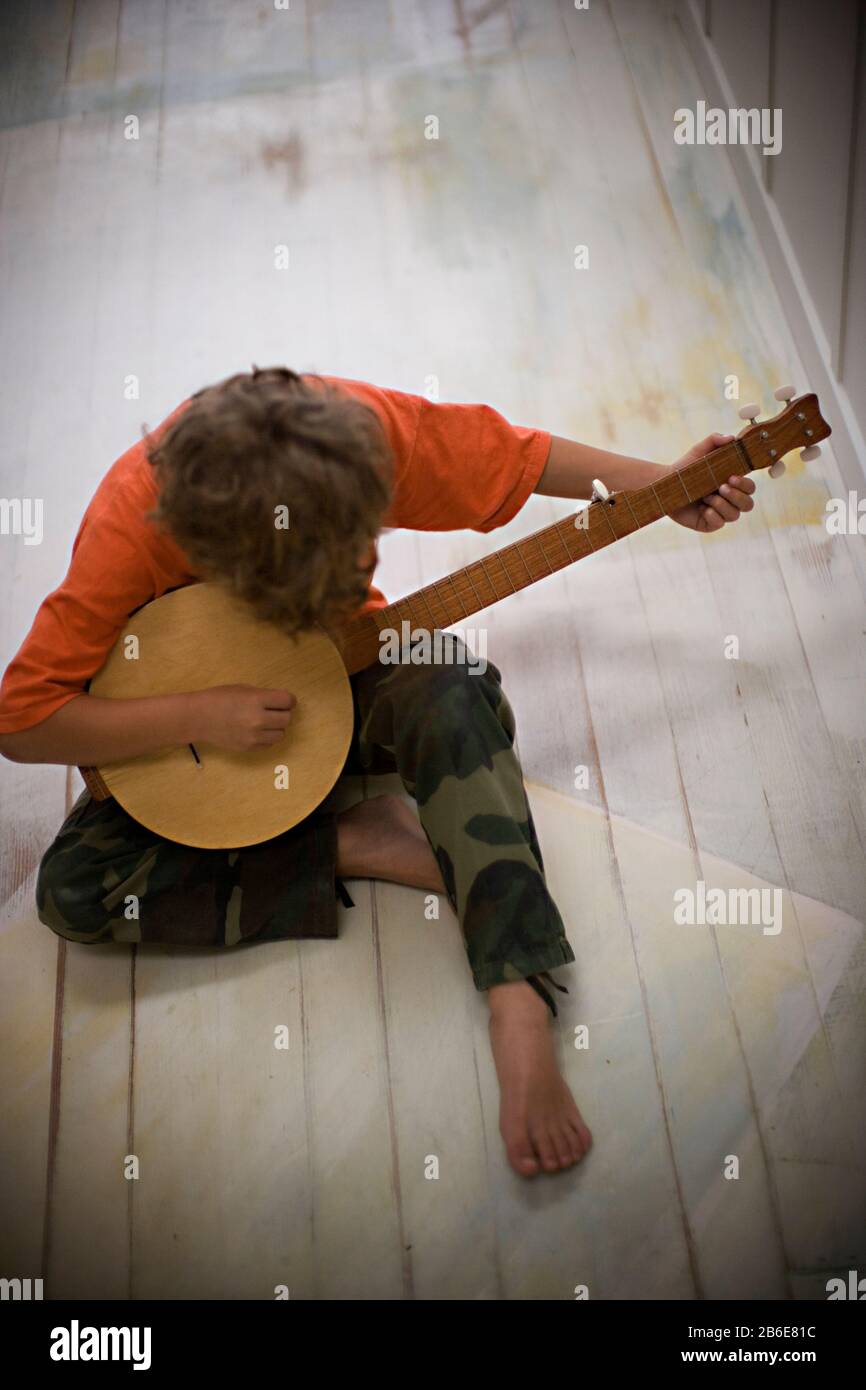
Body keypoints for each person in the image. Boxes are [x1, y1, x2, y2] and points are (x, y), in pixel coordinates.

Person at [0, 366, 755, 1178]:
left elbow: (512, 458)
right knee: (74, 891)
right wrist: (201, 716)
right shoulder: (134, 517)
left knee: (458, 692)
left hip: (342, 681)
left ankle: (516, 993)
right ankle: (349, 843)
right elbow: (22, 719)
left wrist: (669, 485)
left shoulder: (358, 433)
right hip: (203, 740)